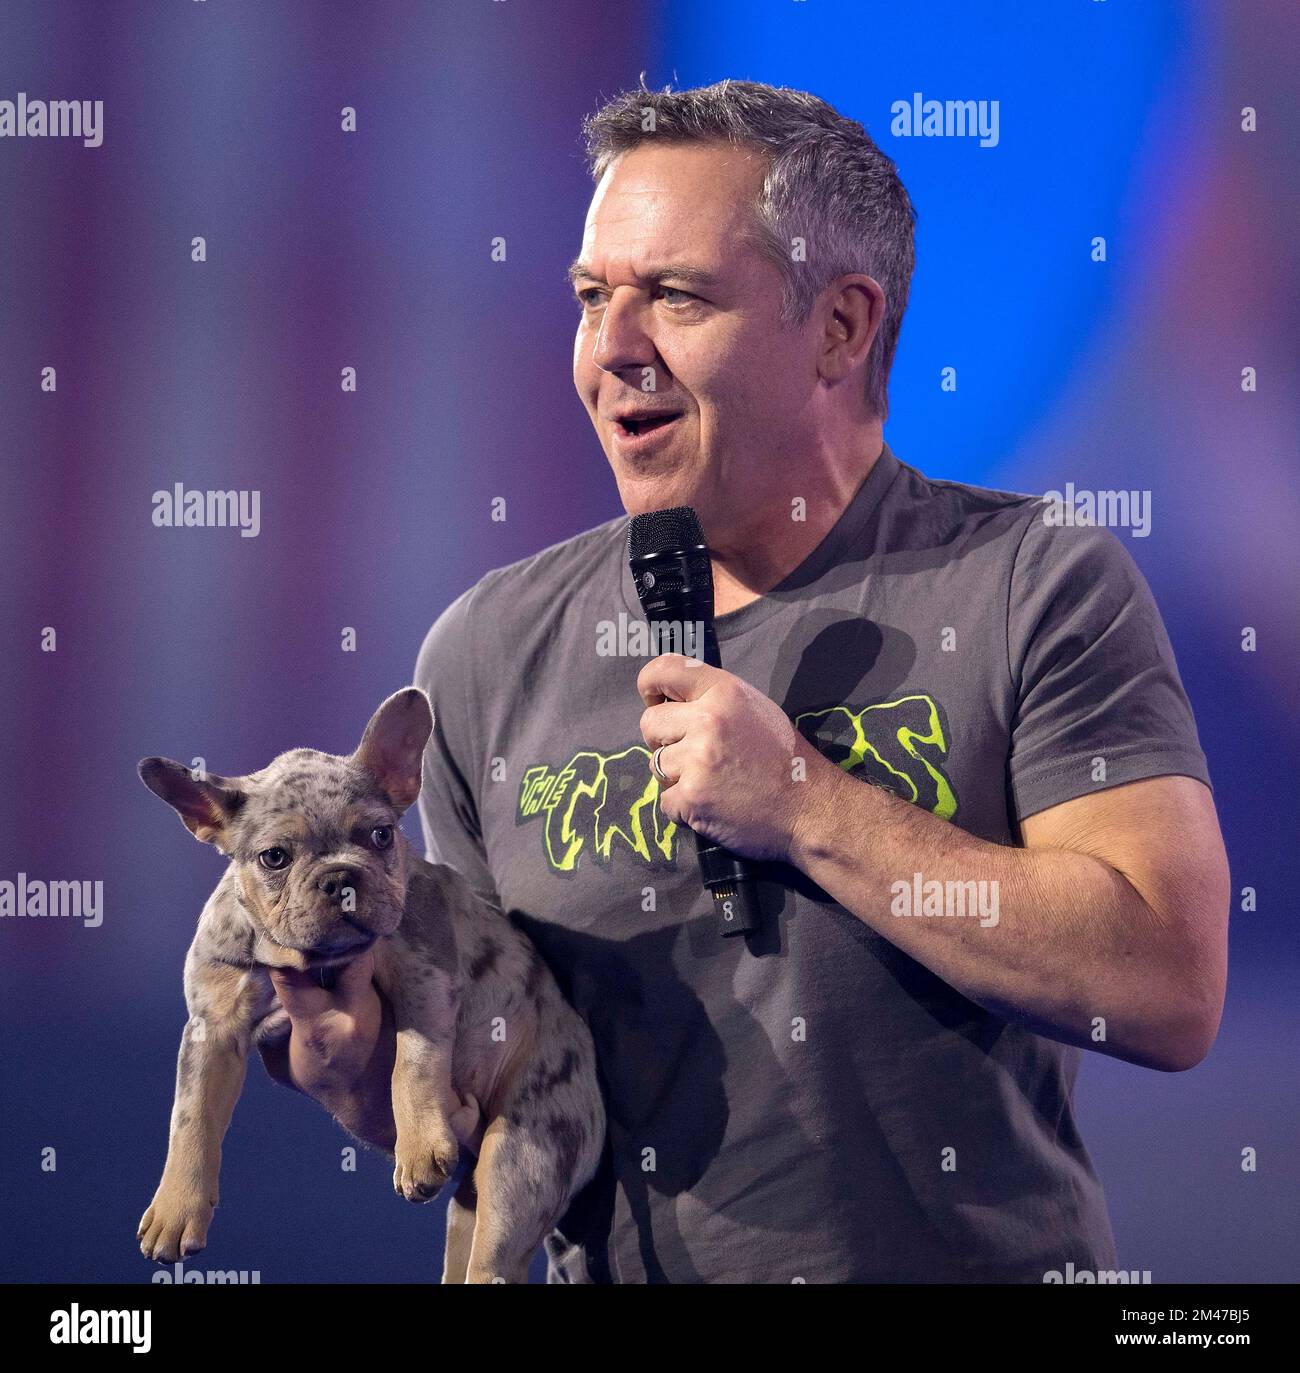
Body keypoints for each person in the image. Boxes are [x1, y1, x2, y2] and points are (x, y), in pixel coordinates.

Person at [260, 79, 1229, 1283]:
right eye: (590, 298)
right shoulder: (484, 650)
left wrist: (807, 807)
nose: (613, 348)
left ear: (840, 328)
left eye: (673, 295)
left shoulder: (1032, 581)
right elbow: (484, 1094)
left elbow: (1166, 983)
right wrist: (353, 1055)